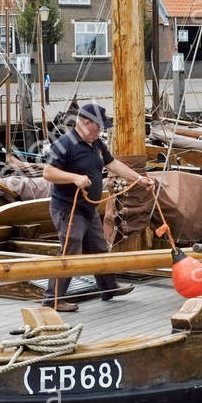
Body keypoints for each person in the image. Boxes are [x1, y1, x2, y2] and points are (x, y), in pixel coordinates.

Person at [41, 103, 155, 311]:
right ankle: (53, 300)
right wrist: (74, 178)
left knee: (99, 247)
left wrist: (139, 179)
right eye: (99, 127)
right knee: (70, 250)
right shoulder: (65, 144)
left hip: (88, 209)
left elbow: (113, 165)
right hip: (68, 209)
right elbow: (48, 172)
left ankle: (108, 287)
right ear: (86, 123)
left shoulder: (96, 144)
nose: (101, 132)